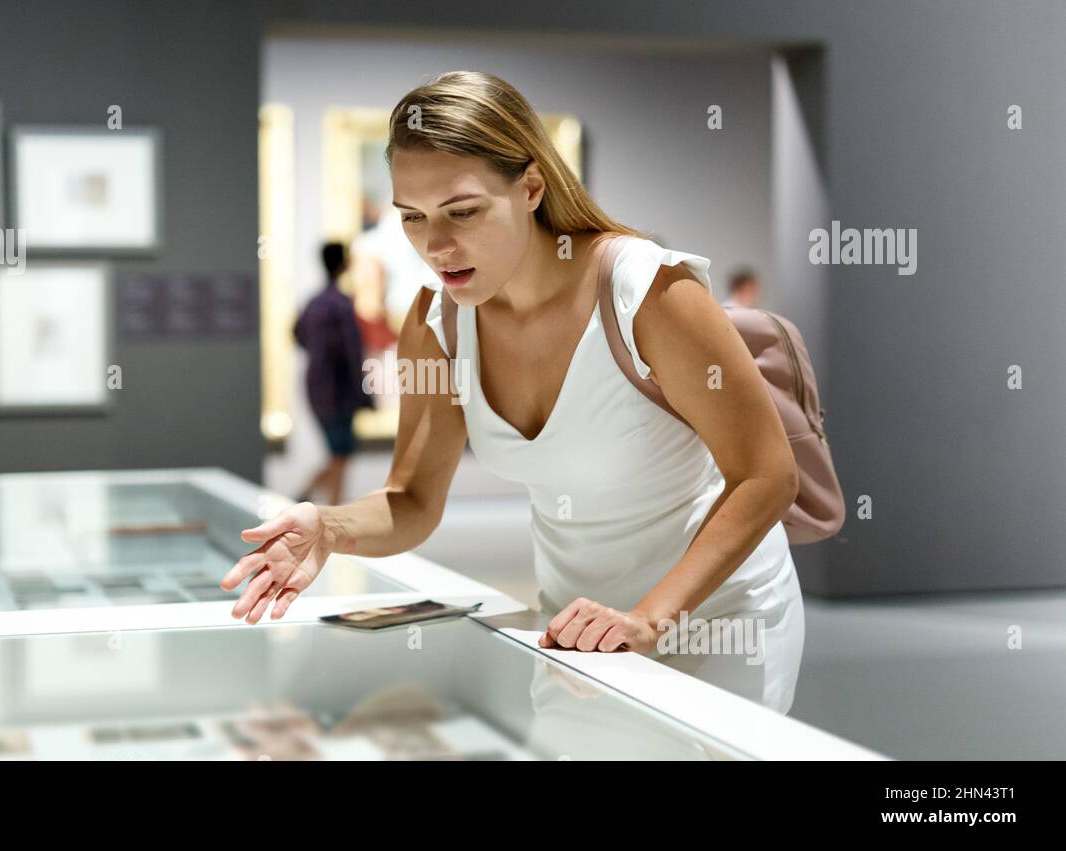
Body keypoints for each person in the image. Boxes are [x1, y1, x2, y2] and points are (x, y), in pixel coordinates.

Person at [226, 71, 806, 715]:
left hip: (716, 616)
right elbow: (413, 499)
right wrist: (329, 528)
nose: (435, 245)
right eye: (412, 218)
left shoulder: (645, 290)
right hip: (578, 632)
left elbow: (767, 474)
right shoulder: (437, 320)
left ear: (531, 186)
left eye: (463, 211)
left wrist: (649, 619)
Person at [292, 242, 373, 505]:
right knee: (340, 452)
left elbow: (297, 335)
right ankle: (333, 510)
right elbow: (352, 353)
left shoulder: (314, 303)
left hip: (316, 385)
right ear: (344, 263)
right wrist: (363, 393)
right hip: (338, 389)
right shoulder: (341, 305)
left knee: (338, 451)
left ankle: (309, 495)